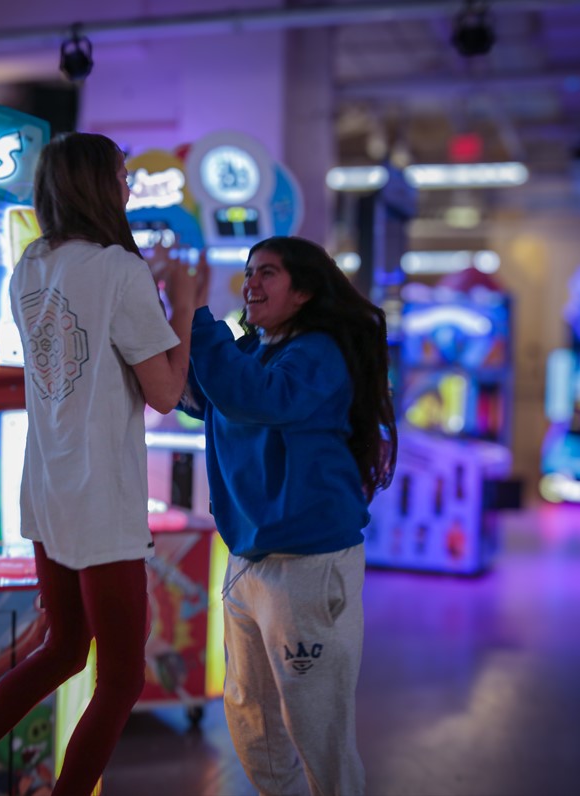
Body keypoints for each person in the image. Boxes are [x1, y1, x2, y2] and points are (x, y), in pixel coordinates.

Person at [0, 132, 204, 796]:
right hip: (100, 502)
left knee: (63, 651)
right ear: (97, 186)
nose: (128, 187)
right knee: (121, 678)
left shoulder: (32, 263)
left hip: (47, 491)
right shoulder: (116, 269)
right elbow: (165, 393)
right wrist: (186, 302)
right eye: (121, 176)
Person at [179, 236, 397, 796]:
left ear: (303, 290)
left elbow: (258, 398)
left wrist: (198, 317)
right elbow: (204, 395)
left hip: (307, 563)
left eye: (268, 273)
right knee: (252, 720)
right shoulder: (255, 351)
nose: (251, 282)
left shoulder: (318, 353)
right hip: (249, 557)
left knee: (315, 726)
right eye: (250, 271)